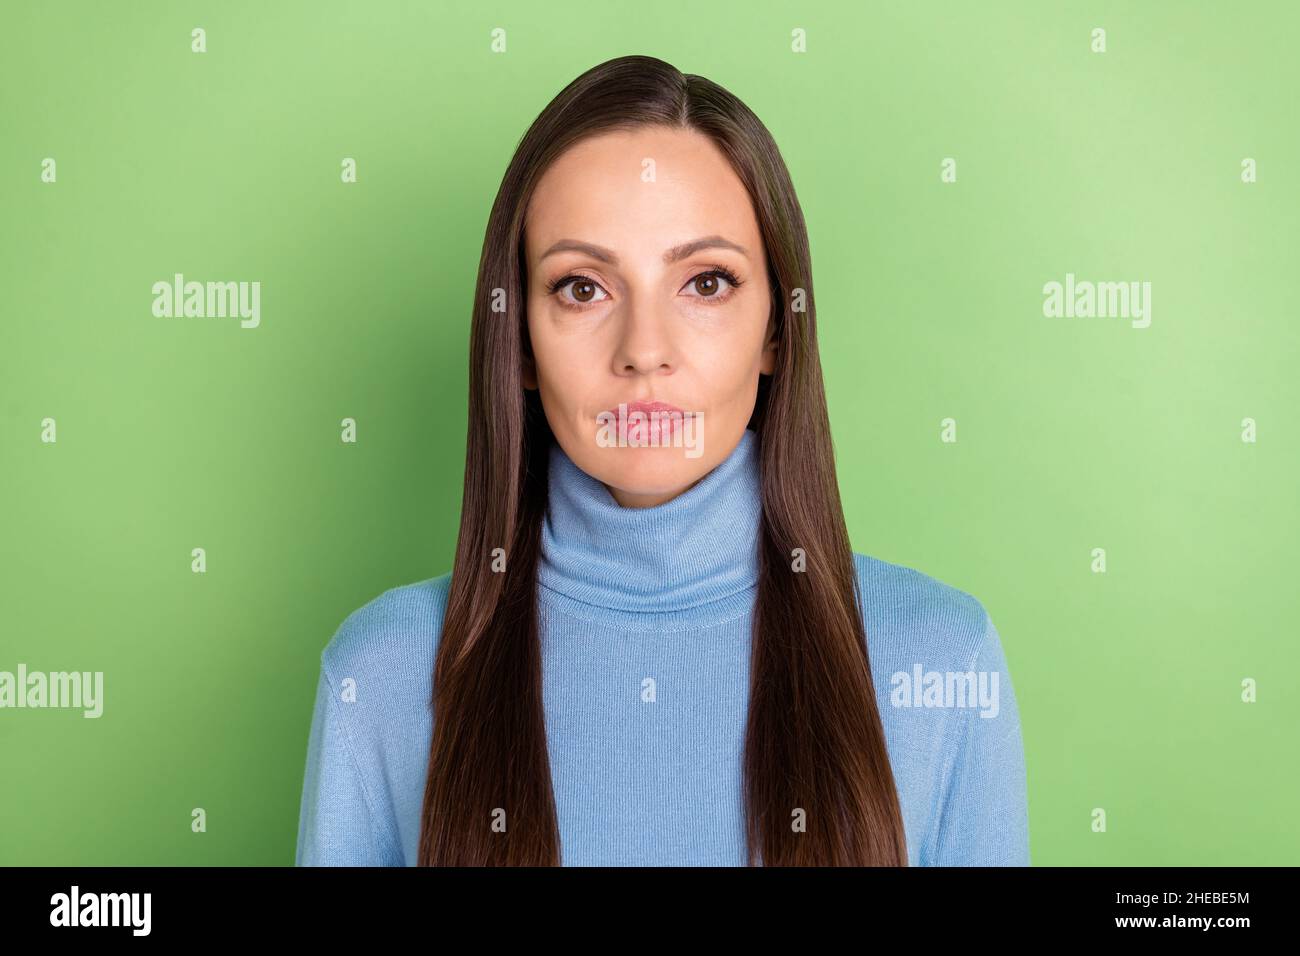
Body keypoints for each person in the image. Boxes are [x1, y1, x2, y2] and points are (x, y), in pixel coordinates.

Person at [295, 54, 1030, 867]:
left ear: (776, 331)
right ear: (521, 342)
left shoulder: (942, 660)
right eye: (582, 288)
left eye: (706, 283)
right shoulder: (381, 676)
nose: (644, 351)